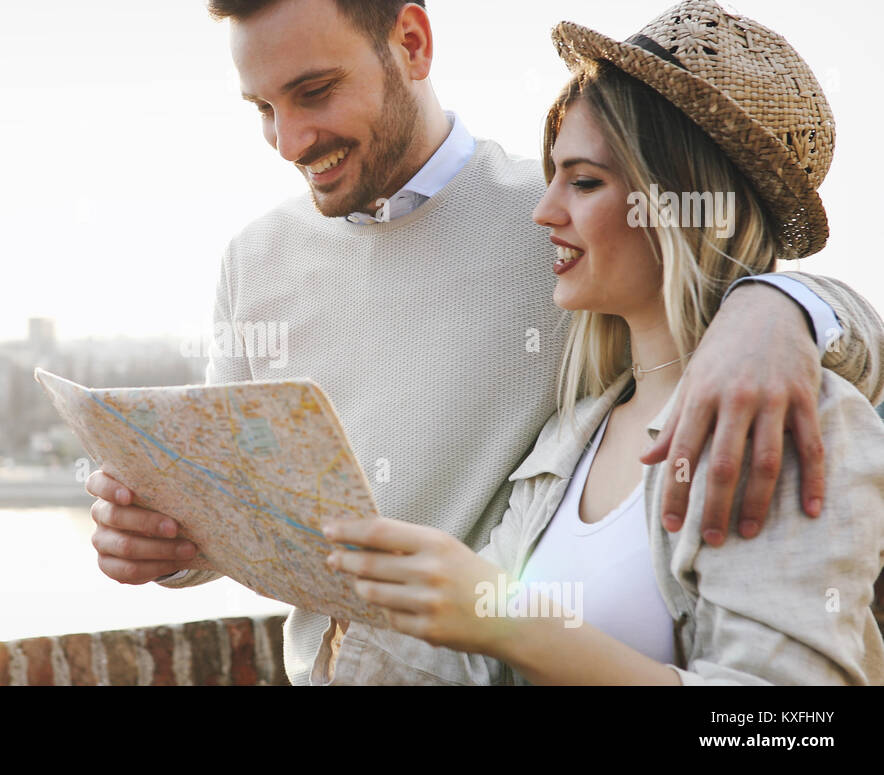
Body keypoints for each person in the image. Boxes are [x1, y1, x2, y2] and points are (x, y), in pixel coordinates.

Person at [84, 0, 884, 685]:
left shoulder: (763, 405)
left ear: (412, 42)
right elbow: (240, 501)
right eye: (262, 109)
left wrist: (780, 304)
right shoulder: (573, 440)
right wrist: (174, 538)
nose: (289, 141)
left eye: (314, 91)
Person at [323, 0, 884, 684]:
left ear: (681, 203)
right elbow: (475, 660)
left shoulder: (783, 420)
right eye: (554, 173)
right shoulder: (571, 435)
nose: (544, 210)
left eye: (584, 181)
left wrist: (508, 616)